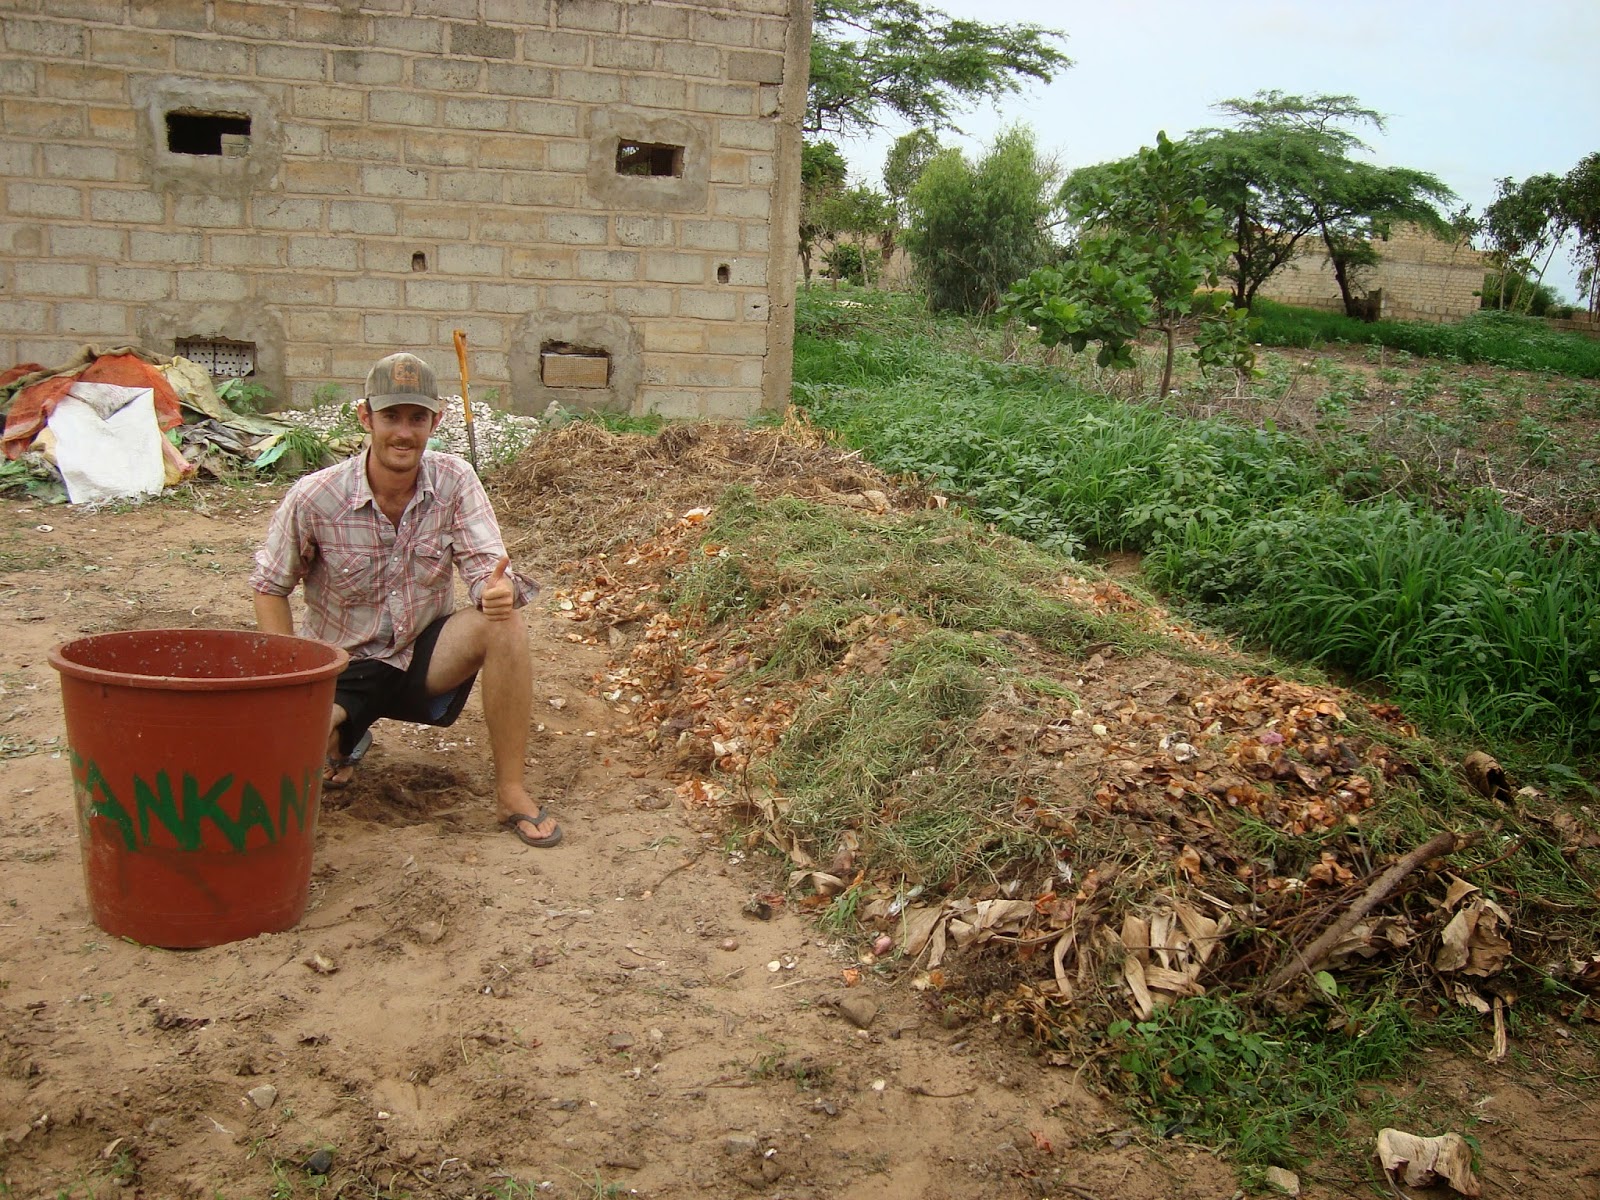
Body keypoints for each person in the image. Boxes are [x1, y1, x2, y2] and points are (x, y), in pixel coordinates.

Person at [249, 352, 562, 847]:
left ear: (435, 420)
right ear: (365, 416)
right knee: (287, 758)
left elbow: (486, 567)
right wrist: (290, 682)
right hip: (342, 665)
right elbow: (270, 586)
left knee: (505, 626)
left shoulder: (454, 479)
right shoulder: (316, 497)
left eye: (417, 418)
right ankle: (343, 737)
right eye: (391, 416)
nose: (403, 432)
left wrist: (494, 592)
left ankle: (510, 790)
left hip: (420, 655)